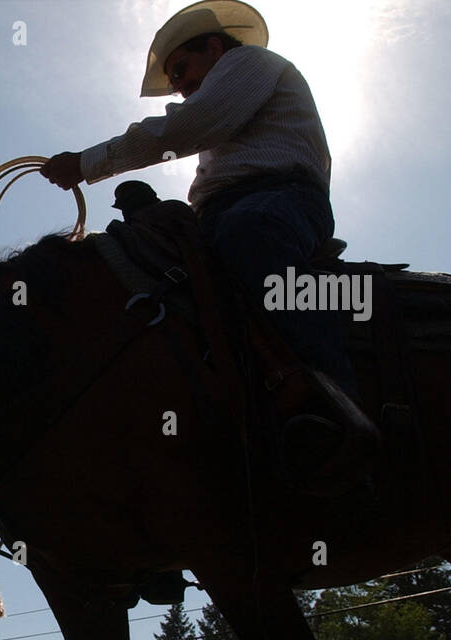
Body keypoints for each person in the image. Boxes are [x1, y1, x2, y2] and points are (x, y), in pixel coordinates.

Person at [41, 0, 377, 490]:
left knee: (250, 242)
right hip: (226, 211)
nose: (179, 85)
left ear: (215, 47)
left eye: (181, 70)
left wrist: (89, 163)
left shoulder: (251, 64)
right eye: (174, 79)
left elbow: (187, 126)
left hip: (278, 201)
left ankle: (335, 414)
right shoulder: (230, 117)